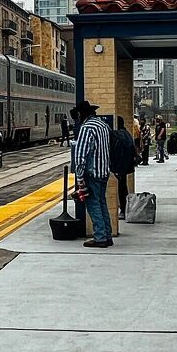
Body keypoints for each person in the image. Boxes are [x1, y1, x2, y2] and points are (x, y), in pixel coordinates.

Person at [70, 101, 114, 247]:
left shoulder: (86, 127)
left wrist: (80, 177)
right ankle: (108, 235)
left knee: (93, 205)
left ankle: (100, 237)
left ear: (82, 114)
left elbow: (81, 155)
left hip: (92, 173)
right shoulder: (103, 126)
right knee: (102, 203)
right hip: (104, 172)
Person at [109, 114, 138, 215]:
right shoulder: (126, 133)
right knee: (123, 187)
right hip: (126, 166)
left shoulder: (118, 135)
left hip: (121, 166)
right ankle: (124, 208)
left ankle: (123, 208)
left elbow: (118, 153)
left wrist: (117, 169)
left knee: (122, 188)